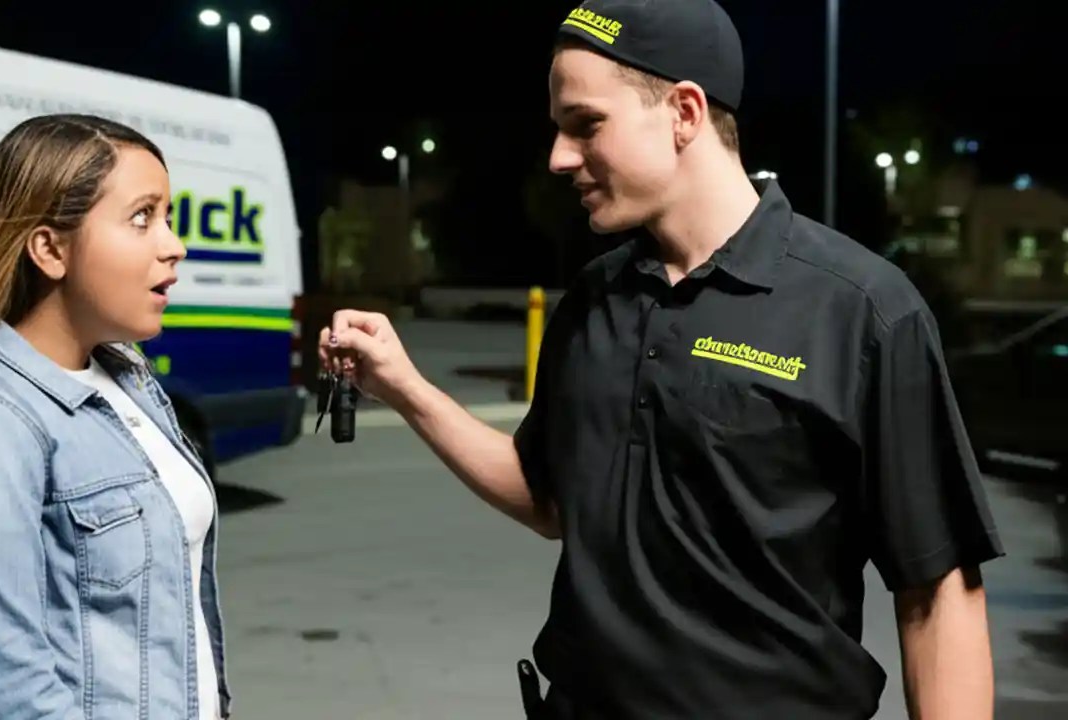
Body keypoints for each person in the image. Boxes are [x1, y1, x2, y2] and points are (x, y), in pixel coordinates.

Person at [319, 1, 1004, 717]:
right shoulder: (594, 297)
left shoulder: (861, 308)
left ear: (683, 112)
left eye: (585, 124)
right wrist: (404, 387)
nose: (557, 156)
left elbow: (938, 595)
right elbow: (551, 501)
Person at [0, 114, 230, 719]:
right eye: (142, 217)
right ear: (49, 248)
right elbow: (7, 699)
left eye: (168, 217)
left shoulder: (127, 375)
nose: (173, 244)